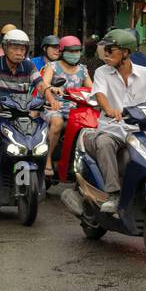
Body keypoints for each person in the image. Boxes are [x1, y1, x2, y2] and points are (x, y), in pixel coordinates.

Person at [89, 29, 146, 212]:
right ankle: (113, 194)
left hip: (139, 132)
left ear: (126, 52)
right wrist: (109, 109)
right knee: (104, 143)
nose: (106, 54)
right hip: (112, 128)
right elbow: (100, 94)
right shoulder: (101, 72)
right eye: (105, 49)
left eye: (110, 50)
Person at [0, 29, 41, 194]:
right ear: (5, 48)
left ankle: (42, 170)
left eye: (22, 49)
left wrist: (52, 99)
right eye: (15, 48)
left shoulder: (29, 65)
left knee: (40, 129)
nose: (19, 52)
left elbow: (40, 84)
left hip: (21, 112)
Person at [39, 35, 93, 182]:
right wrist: (53, 88)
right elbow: (43, 84)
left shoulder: (83, 70)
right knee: (57, 122)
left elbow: (93, 90)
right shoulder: (53, 66)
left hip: (76, 110)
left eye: (77, 51)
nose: (75, 54)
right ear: (62, 51)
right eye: (71, 51)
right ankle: (48, 159)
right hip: (54, 106)